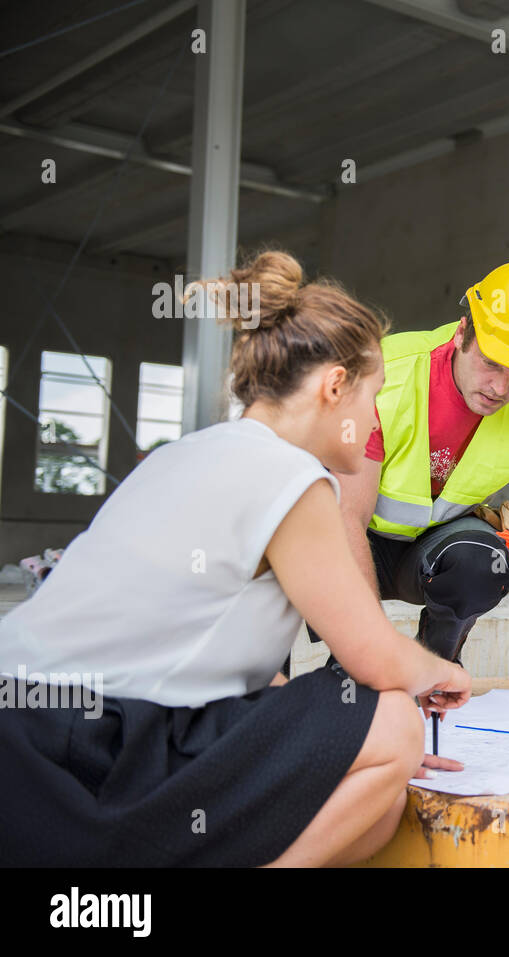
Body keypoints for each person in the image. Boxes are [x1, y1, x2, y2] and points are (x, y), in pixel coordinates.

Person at [0, 250, 471, 866]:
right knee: (393, 726)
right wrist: (445, 674)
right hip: (94, 752)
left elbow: (211, 651)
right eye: (373, 395)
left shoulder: (187, 454)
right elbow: (373, 658)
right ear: (335, 386)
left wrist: (333, 743)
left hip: (27, 744)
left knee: (376, 814)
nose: (374, 415)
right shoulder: (293, 478)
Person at [326, 256, 509, 728]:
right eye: (492, 363)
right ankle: (344, 679)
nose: (501, 388)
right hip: (353, 544)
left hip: (428, 550)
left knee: (484, 557)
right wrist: (372, 655)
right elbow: (346, 523)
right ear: (463, 333)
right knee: (351, 679)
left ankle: (436, 669)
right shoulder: (388, 376)